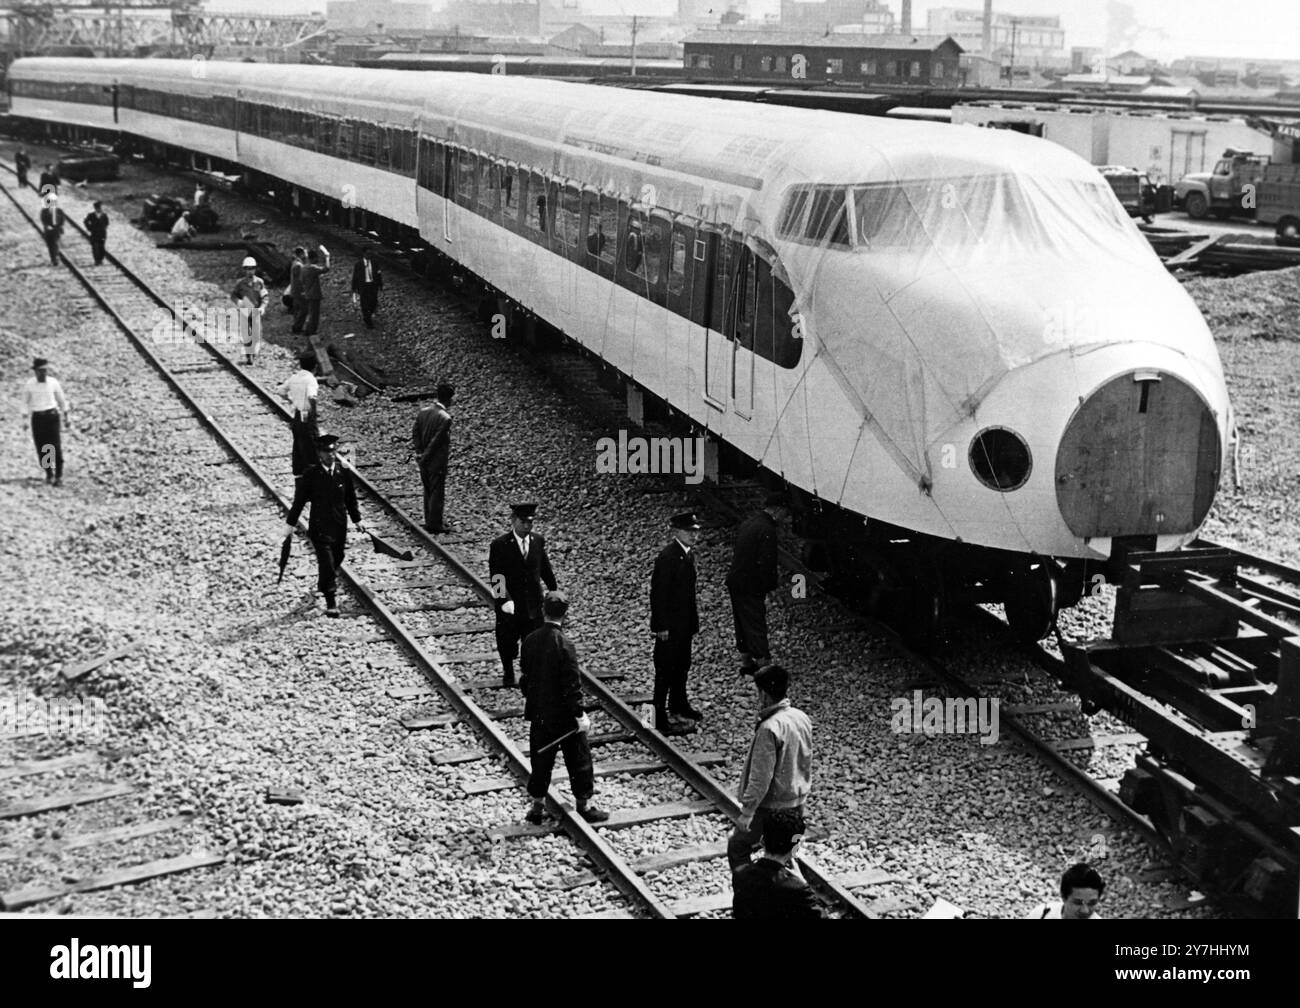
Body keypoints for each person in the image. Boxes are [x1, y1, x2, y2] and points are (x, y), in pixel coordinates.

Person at [520, 591, 609, 825]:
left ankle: (537, 807)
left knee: (541, 761)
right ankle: (584, 805)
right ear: (565, 615)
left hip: (540, 714)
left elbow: (525, 679)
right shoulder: (566, 645)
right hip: (565, 717)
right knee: (579, 760)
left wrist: (535, 700)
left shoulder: (529, 640)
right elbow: (572, 686)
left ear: (543, 610)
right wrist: (579, 715)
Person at [728, 664, 813, 872]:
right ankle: (792, 889)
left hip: (771, 808)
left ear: (764, 694)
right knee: (786, 851)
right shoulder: (801, 717)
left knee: (738, 846)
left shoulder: (769, 728)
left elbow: (761, 777)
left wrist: (747, 813)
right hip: (797, 804)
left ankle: (749, 890)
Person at [283, 434, 364, 617]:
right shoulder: (311, 475)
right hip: (320, 526)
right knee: (327, 563)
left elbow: (350, 499)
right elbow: (299, 502)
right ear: (319, 453)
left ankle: (324, 582)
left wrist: (357, 519)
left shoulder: (343, 472)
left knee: (338, 556)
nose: (331, 455)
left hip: (339, 524)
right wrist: (290, 524)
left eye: (334, 450)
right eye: (327, 451)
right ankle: (331, 600)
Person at [488, 502, 558, 688]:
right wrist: (504, 600)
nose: (527, 526)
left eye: (530, 522)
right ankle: (508, 670)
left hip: (533, 603)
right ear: (513, 521)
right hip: (510, 604)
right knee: (507, 641)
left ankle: (528, 674)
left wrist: (554, 588)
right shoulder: (500, 545)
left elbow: (544, 567)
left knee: (532, 640)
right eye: (523, 522)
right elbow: (496, 576)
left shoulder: (537, 541)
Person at [727, 491, 791, 676]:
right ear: (778, 510)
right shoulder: (767, 530)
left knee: (741, 621)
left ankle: (747, 662)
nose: (785, 518)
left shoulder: (750, 522)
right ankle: (765, 668)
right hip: (751, 584)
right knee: (756, 624)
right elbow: (767, 563)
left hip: (736, 580)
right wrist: (770, 586)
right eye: (785, 513)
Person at [650, 510, 702, 735]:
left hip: (683, 626)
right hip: (669, 627)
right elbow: (659, 594)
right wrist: (660, 626)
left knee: (682, 666)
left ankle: (679, 704)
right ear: (676, 532)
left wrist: (692, 623)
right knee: (664, 670)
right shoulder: (669, 557)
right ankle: (657, 717)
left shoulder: (686, 554)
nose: (694, 536)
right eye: (688, 532)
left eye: (695, 532)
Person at [731, 809, 826, 920]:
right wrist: (804, 885)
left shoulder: (740, 875)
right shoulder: (796, 888)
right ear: (795, 848)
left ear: (762, 841)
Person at [412, 384, 454, 533]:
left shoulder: (423, 412)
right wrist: (425, 456)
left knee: (427, 489)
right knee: (437, 492)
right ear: (449, 399)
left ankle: (429, 519)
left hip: (422, 459)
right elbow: (436, 441)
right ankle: (435, 524)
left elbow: (415, 433)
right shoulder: (445, 418)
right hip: (435, 461)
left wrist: (419, 453)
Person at [23, 357, 71, 486]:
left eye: (45, 370)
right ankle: (49, 473)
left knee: (55, 446)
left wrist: (67, 416)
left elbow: (61, 400)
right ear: (35, 371)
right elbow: (25, 402)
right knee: (43, 447)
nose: (43, 373)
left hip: (51, 417)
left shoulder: (53, 382)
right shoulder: (30, 384)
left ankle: (59, 476)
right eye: (40, 371)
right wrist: (24, 420)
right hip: (38, 418)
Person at [276, 352, 320, 477]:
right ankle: (313, 473)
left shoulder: (294, 378)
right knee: (312, 443)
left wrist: (290, 400)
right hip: (306, 414)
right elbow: (311, 397)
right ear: (315, 366)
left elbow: (280, 391)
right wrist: (310, 413)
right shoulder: (311, 379)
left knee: (298, 443)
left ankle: (300, 472)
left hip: (297, 415)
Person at [1025, 863, 1106, 919]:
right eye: (1078, 903)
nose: (1085, 910)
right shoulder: (1042, 914)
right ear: (1064, 897)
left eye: (1092, 903)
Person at [230, 255, 267, 366]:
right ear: (244, 270)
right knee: (246, 335)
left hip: (255, 311)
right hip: (244, 312)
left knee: (256, 335)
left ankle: (253, 352)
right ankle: (248, 356)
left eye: (252, 268)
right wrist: (238, 302)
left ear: (255, 269)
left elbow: (265, 296)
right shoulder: (240, 284)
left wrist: (262, 307)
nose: (250, 271)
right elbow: (233, 295)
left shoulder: (259, 282)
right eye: (247, 269)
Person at [296, 244, 331, 336]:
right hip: (314, 294)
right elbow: (326, 268)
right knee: (314, 314)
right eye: (316, 258)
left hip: (308, 293)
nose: (318, 260)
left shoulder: (303, 268)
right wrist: (327, 257)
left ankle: (308, 329)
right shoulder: (313, 268)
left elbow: (301, 280)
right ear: (313, 258)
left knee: (311, 313)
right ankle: (311, 331)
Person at [350, 253, 383, 328]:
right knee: (364, 303)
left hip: (372, 285)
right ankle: (367, 319)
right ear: (364, 254)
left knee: (373, 302)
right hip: (363, 286)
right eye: (368, 253)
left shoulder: (375, 263)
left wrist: (380, 284)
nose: (369, 255)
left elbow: (378, 274)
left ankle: (369, 314)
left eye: (370, 253)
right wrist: (354, 288)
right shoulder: (358, 264)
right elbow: (355, 276)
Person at [39, 193, 65, 267]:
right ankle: (53, 258)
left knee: (55, 244)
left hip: (56, 230)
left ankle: (55, 258)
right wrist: (47, 226)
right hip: (48, 231)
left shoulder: (59, 211)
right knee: (50, 245)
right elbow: (43, 220)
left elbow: (62, 219)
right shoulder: (44, 211)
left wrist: (59, 226)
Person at [83, 201, 109, 266]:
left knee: (101, 247)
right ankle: (97, 260)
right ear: (95, 208)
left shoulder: (104, 215)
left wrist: (103, 228)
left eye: (100, 208)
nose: (99, 209)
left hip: (102, 234)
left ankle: (101, 259)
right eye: (97, 208)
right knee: (95, 247)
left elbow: (107, 223)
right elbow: (85, 221)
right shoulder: (91, 215)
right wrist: (89, 228)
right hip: (94, 234)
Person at [286, 246, 306, 325]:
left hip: (294, 289)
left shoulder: (295, 263)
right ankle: (297, 325)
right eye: (304, 253)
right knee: (302, 309)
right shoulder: (299, 265)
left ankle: (296, 324)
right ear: (301, 254)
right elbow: (301, 279)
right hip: (298, 290)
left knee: (297, 309)